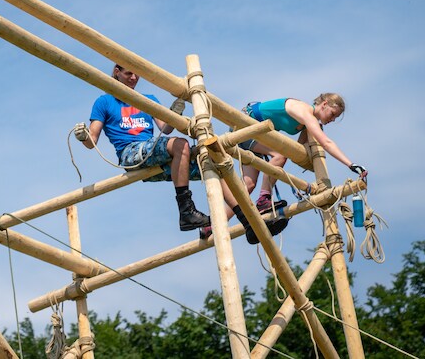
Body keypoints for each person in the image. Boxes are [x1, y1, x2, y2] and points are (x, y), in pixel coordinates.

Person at [73, 64, 286, 242]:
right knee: (181, 145)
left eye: (136, 74)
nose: (133, 78)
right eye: (128, 73)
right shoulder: (105, 101)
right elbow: (93, 141)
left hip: (155, 154)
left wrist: (175, 112)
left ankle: (247, 221)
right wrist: (84, 137)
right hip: (131, 154)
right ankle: (186, 210)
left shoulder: (147, 99)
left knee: (213, 163)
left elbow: (165, 129)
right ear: (116, 72)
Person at [237, 94, 365, 214]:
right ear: (324, 104)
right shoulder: (304, 111)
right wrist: (350, 164)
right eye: (332, 114)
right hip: (245, 125)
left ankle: (219, 222)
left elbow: (296, 150)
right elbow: (326, 143)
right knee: (280, 155)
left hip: (256, 135)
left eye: (335, 117)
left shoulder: (307, 123)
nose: (333, 119)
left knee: (248, 185)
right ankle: (263, 200)